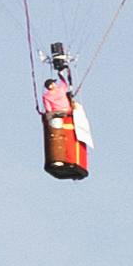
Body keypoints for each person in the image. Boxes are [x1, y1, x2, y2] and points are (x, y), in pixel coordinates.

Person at [38, 41, 91, 184]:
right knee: (59, 131)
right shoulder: (59, 91)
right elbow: (65, 84)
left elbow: (48, 107)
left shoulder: (48, 95)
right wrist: (64, 71)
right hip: (64, 114)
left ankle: (59, 160)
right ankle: (61, 158)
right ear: (51, 85)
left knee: (55, 127)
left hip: (57, 115)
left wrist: (49, 114)